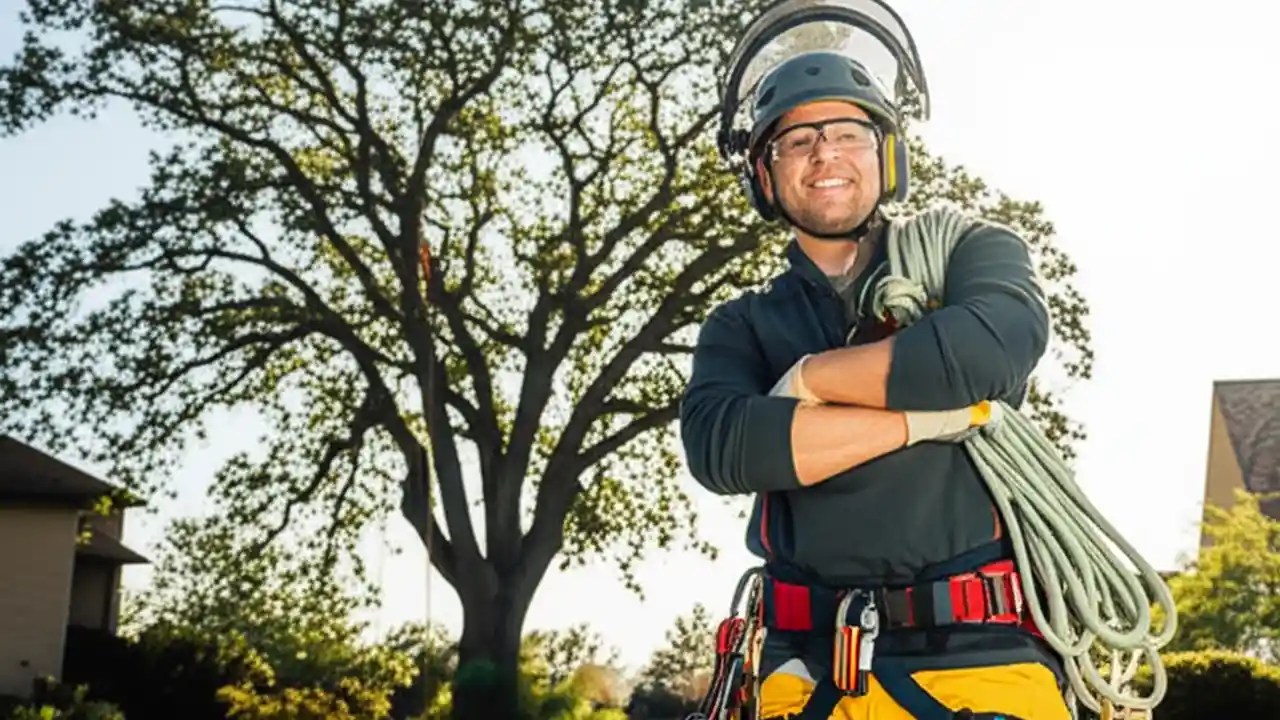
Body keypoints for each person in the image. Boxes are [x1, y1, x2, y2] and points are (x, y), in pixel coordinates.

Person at [679, 50, 1071, 720]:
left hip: (983, 664)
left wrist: (808, 382)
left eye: (848, 133)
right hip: (801, 672)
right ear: (763, 177)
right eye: (796, 140)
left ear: (887, 155)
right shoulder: (739, 323)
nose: (825, 153)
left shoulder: (976, 252)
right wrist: (931, 417)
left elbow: (987, 353)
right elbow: (729, 449)